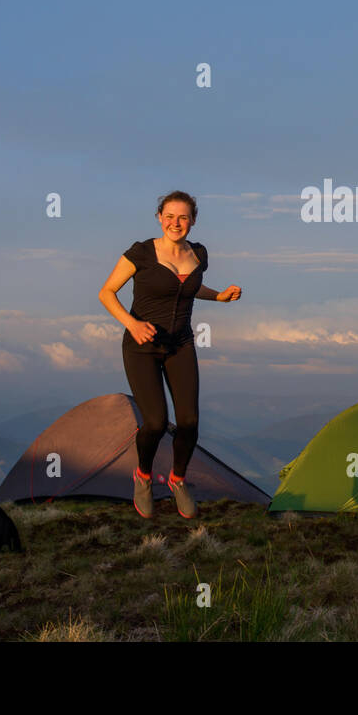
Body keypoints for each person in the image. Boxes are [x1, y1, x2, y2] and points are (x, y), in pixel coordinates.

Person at [98, 191, 242, 519]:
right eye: (170, 216)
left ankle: (177, 480)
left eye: (183, 217)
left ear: (193, 220)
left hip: (181, 344)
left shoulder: (199, 254)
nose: (176, 223)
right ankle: (144, 476)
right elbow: (106, 292)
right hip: (141, 347)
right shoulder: (142, 253)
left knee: (190, 421)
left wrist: (217, 296)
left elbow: (187, 288)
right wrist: (132, 324)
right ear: (159, 217)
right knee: (156, 421)